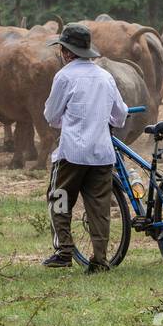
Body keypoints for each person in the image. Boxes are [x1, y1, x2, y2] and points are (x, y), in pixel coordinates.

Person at [42, 23, 128, 273]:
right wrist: (104, 121)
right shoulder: (105, 76)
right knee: (99, 208)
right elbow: (120, 115)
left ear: (67, 53)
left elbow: (51, 115)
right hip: (102, 154)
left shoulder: (65, 76)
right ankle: (100, 260)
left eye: (61, 49)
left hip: (71, 153)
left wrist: (65, 122)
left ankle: (64, 250)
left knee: (58, 198)